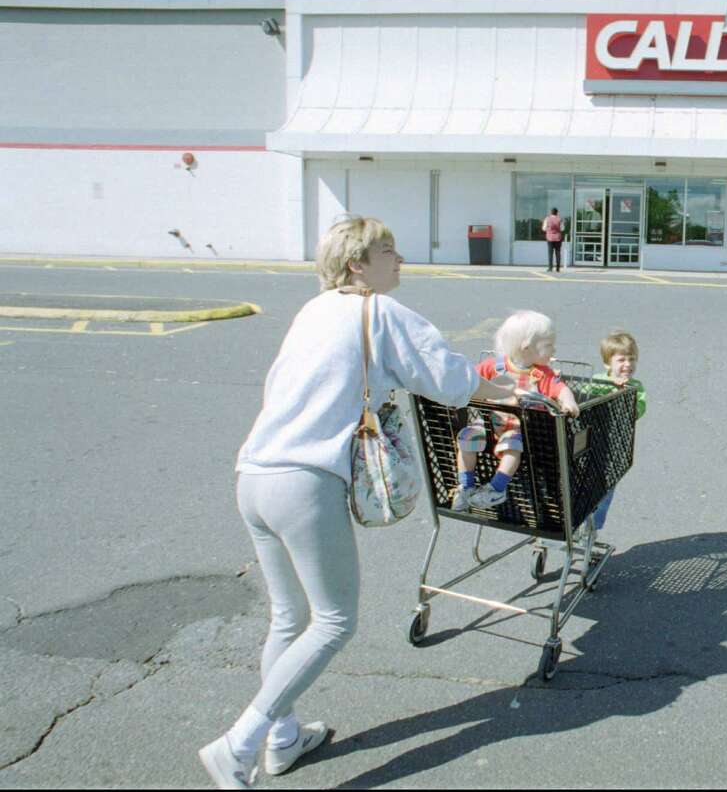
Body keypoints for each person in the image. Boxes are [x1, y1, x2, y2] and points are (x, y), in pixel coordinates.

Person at [200, 216, 518, 789]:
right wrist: (510, 392)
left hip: (255, 473)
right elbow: (449, 381)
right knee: (333, 621)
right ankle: (240, 742)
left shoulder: (312, 311)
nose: (400, 261)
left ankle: (281, 739)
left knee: (289, 616)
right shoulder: (380, 312)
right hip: (306, 480)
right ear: (357, 265)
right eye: (388, 251)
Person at [453, 310, 580, 511]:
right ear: (527, 347)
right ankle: (465, 486)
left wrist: (568, 401)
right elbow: (471, 380)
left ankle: (496, 488)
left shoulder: (541, 374)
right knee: (466, 437)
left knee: (512, 448)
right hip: (489, 423)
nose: (554, 350)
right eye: (548, 346)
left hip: (518, 428)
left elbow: (560, 388)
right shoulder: (493, 367)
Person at [584, 331, 646, 544]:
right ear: (607, 363)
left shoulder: (635, 386)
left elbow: (638, 410)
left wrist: (626, 395)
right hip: (591, 443)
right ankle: (578, 520)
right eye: (621, 359)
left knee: (607, 487)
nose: (627, 364)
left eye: (631, 359)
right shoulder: (598, 382)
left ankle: (593, 526)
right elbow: (583, 398)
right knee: (583, 483)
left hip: (613, 447)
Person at [542, 208, 564, 273]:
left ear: (551, 212)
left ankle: (550, 268)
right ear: (557, 212)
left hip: (549, 238)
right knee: (558, 253)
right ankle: (558, 268)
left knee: (550, 253)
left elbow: (543, 228)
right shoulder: (560, 219)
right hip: (558, 238)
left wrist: (549, 230)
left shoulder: (547, 219)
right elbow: (562, 228)